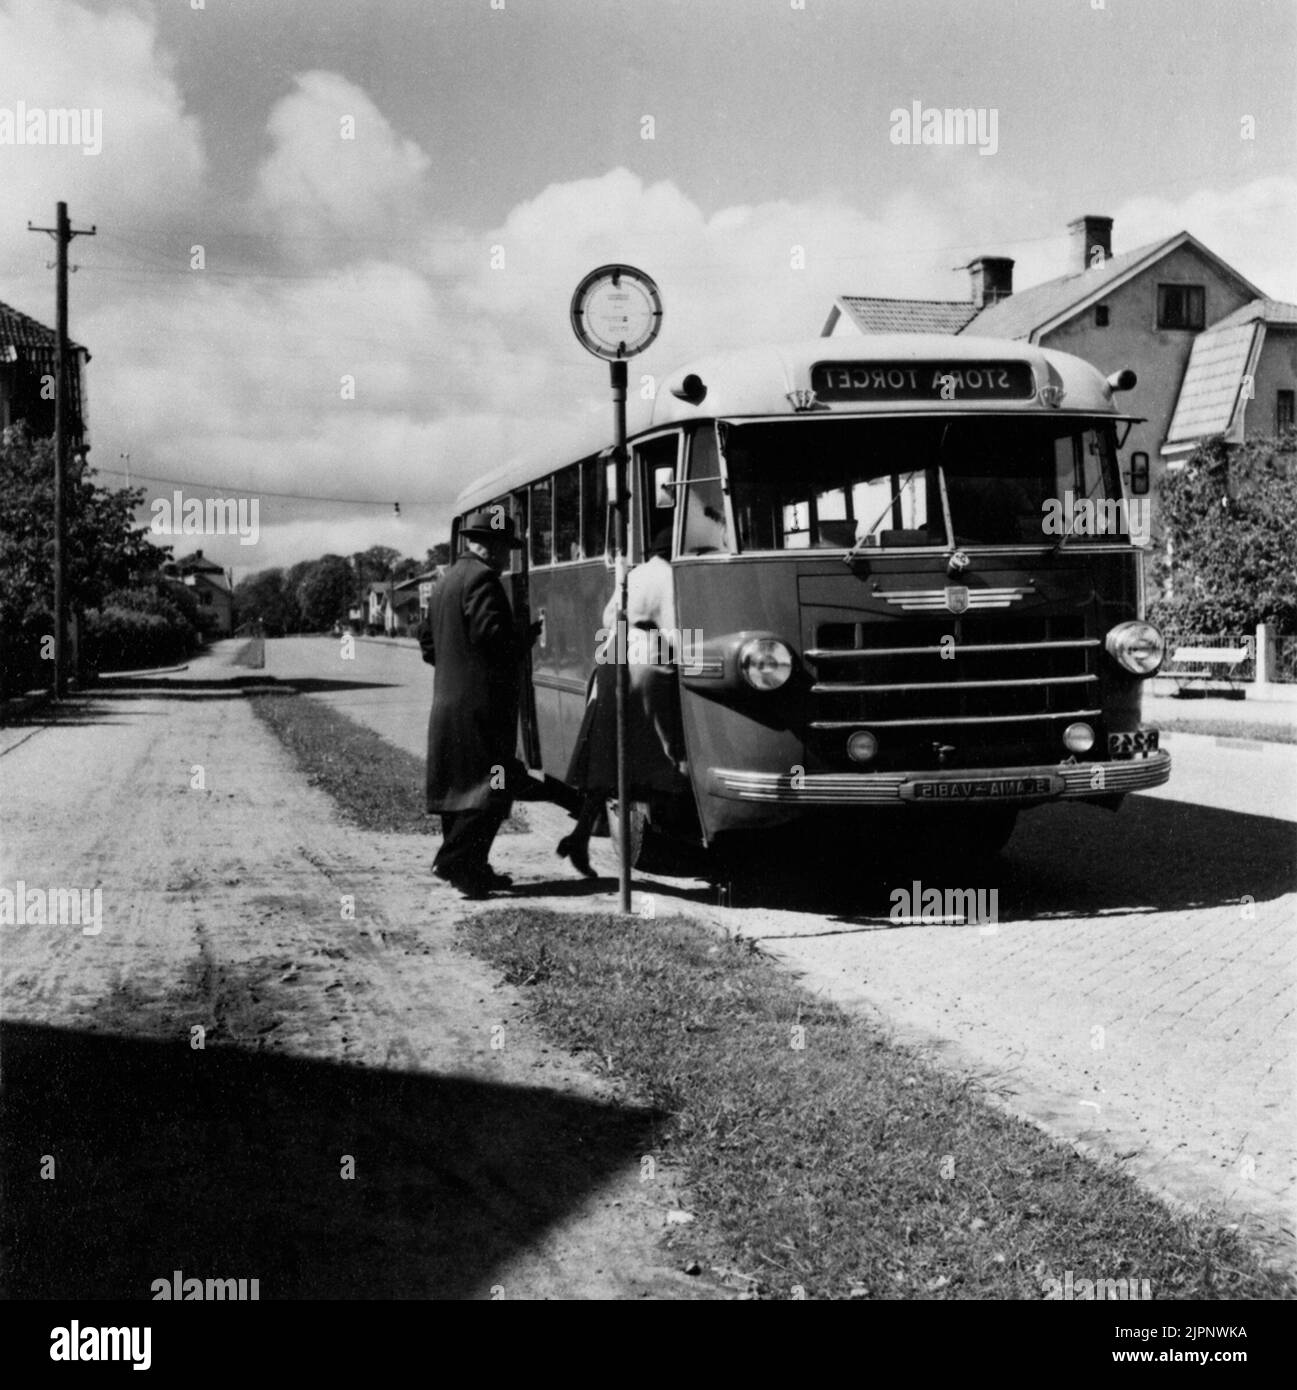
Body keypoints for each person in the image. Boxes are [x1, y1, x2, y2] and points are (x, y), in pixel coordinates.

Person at [420, 509, 541, 898]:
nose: (506, 559)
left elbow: (427, 644)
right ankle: (453, 860)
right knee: (493, 786)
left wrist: (456, 666)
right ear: (488, 546)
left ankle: (473, 871)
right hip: (482, 710)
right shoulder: (483, 580)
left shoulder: (445, 582)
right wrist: (524, 638)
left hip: (447, 706)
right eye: (505, 549)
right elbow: (492, 640)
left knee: (458, 793)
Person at [557, 527, 686, 877]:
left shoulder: (637, 573)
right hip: (647, 662)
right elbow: (676, 633)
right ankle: (673, 835)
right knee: (664, 754)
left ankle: (581, 835)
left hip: (613, 657)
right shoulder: (671, 576)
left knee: (609, 760)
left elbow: (607, 617)